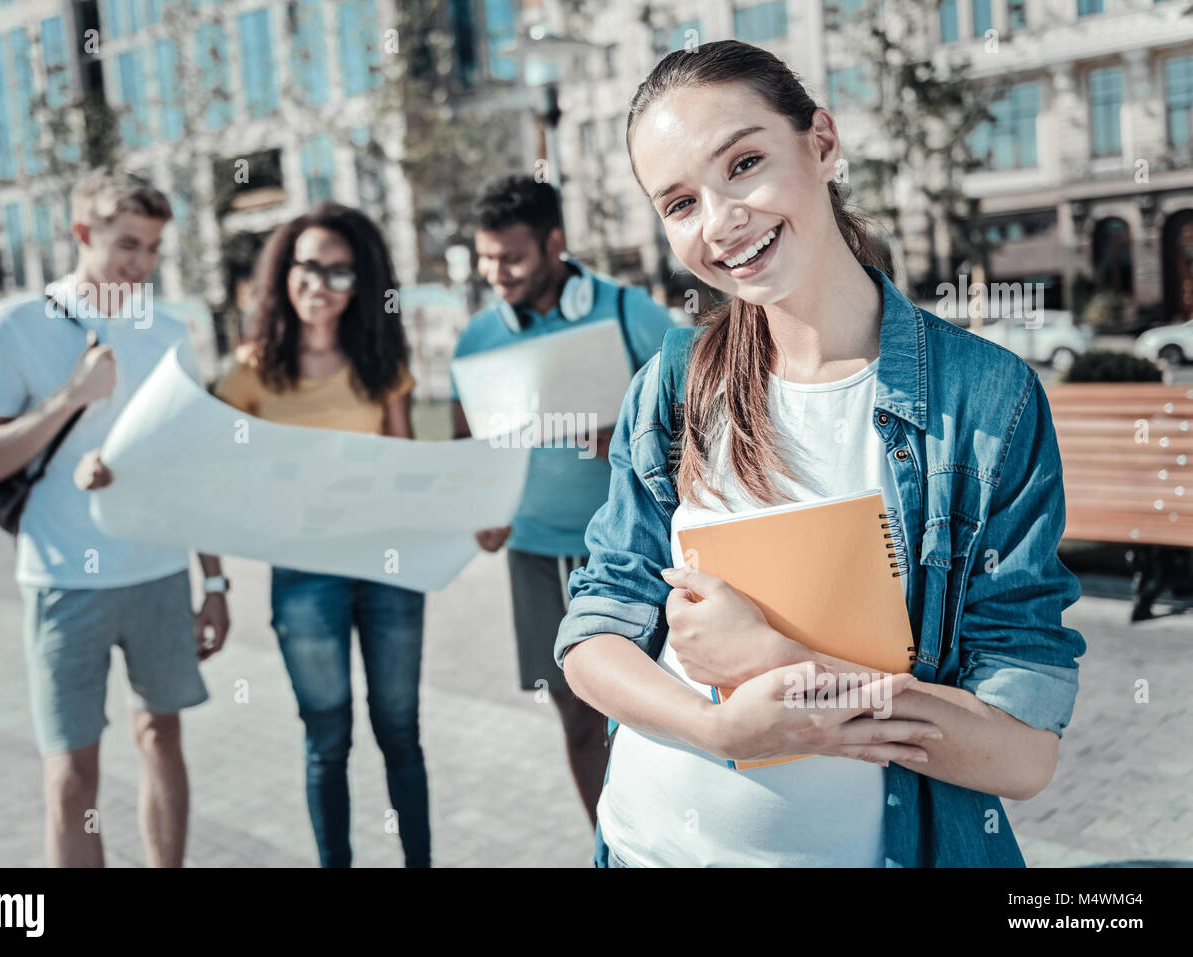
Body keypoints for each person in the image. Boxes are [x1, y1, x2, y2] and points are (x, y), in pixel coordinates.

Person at [554, 40, 1088, 867]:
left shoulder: (986, 403)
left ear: (824, 142)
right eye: (680, 202)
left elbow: (1020, 753)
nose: (721, 220)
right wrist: (716, 726)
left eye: (745, 163)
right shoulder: (672, 386)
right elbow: (593, 632)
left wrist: (782, 662)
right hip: (639, 846)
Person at [0, 167, 229, 867]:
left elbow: (193, 467)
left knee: (161, 736)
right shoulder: (12, 327)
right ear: (82, 233)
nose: (142, 265)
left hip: (160, 572)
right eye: (127, 245)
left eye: (153, 248)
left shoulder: (168, 333)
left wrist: (217, 583)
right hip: (60, 581)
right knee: (70, 771)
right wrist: (70, 397)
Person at [450, 175, 677, 827]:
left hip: (637, 549)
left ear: (556, 243)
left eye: (512, 257)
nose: (497, 273)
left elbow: (696, 415)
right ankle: (609, 840)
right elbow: (467, 451)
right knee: (576, 713)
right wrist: (479, 510)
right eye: (486, 258)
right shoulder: (476, 339)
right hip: (532, 553)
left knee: (654, 707)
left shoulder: (631, 312)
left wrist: (628, 435)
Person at [212, 203, 429, 868]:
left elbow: (407, 468)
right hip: (305, 575)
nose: (322, 283)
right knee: (327, 740)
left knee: (399, 731)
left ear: (360, 283)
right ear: (285, 271)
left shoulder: (380, 359)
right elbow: (212, 475)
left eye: (341, 271)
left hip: (389, 569)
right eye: (310, 265)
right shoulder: (248, 370)